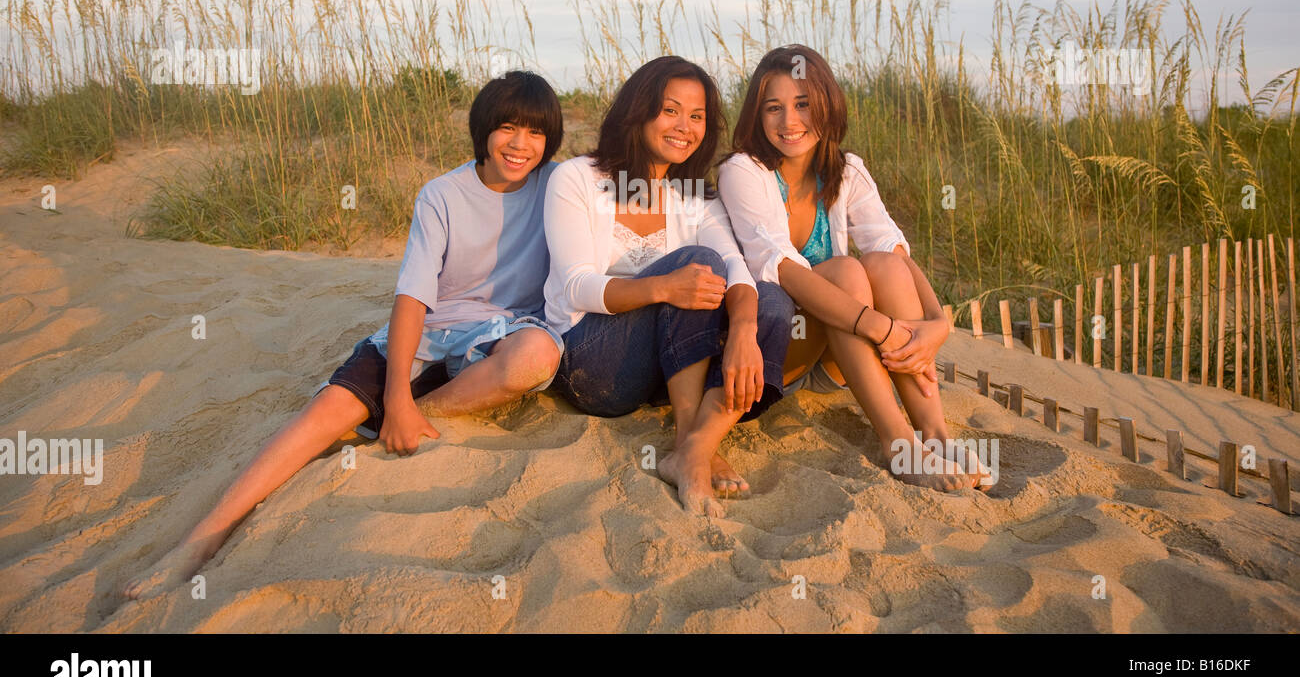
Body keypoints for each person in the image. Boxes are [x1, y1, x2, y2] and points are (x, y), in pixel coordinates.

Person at [125, 70, 567, 599]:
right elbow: (412, 298)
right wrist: (397, 389)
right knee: (322, 417)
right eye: (508, 128)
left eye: (536, 133)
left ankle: (415, 416)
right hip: (429, 331)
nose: (521, 145)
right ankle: (198, 543)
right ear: (483, 130)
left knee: (536, 356)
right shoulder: (441, 195)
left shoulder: (557, 187)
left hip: (501, 333)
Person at [718, 45, 990, 493]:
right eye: (774, 108)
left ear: (827, 104)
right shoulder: (743, 171)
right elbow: (781, 268)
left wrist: (937, 323)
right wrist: (882, 328)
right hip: (783, 352)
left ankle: (935, 433)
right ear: (757, 115)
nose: (789, 121)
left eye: (803, 104)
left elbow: (893, 250)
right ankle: (897, 443)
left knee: (881, 262)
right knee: (844, 272)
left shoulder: (847, 171)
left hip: (841, 362)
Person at [544, 56, 795, 518]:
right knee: (698, 266)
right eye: (671, 110)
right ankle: (688, 444)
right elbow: (576, 287)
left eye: (697, 116)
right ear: (638, 111)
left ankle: (697, 445)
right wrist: (664, 287)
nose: (685, 126)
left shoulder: (695, 197)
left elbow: (738, 269)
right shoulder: (577, 178)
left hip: (667, 368)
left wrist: (741, 330)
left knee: (770, 297)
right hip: (595, 362)